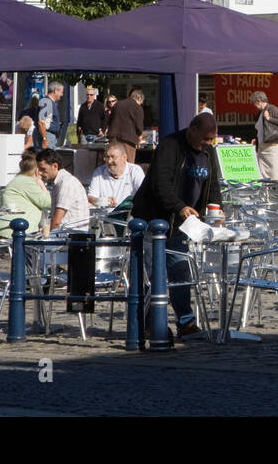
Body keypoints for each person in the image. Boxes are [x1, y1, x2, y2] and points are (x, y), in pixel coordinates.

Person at [130, 113, 221, 339]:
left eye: (212, 139)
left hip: (182, 226)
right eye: (206, 138)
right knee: (153, 275)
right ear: (192, 129)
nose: (208, 143)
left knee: (181, 271)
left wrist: (216, 208)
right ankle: (151, 324)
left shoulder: (209, 152)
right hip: (154, 220)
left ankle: (186, 321)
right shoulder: (170, 145)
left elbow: (213, 184)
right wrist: (179, 207)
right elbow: (160, 184)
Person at [0, 154, 54, 239]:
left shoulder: (19, 180)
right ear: (36, 170)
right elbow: (48, 203)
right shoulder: (27, 182)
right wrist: (42, 185)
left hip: (9, 230)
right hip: (16, 233)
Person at [37, 149, 90, 232]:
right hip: (66, 235)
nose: (39, 173)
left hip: (71, 237)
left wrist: (48, 240)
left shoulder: (66, 183)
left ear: (55, 166)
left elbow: (57, 221)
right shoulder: (60, 182)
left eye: (43, 169)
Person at [87, 142, 145, 207]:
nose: (109, 161)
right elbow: (90, 197)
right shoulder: (99, 172)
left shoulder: (135, 171)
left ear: (124, 157)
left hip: (128, 214)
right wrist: (101, 201)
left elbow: (144, 194)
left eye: (113, 157)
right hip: (105, 215)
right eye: (107, 157)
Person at [251, 91, 278, 179]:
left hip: (272, 148)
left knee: (276, 175)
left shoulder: (272, 108)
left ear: (259, 101)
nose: (254, 106)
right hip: (263, 148)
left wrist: (269, 118)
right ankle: (267, 192)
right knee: (263, 175)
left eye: (255, 103)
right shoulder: (261, 112)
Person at [106, 88, 145, 163]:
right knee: (128, 164)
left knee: (114, 162)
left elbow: (109, 120)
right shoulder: (137, 107)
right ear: (139, 99)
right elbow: (139, 127)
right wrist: (139, 135)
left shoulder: (117, 104)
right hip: (128, 140)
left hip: (114, 139)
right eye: (141, 102)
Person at [36, 81, 65, 150]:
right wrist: (44, 138)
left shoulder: (51, 103)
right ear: (55, 91)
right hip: (47, 136)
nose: (62, 95)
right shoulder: (47, 102)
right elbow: (41, 122)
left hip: (50, 136)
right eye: (61, 92)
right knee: (47, 159)